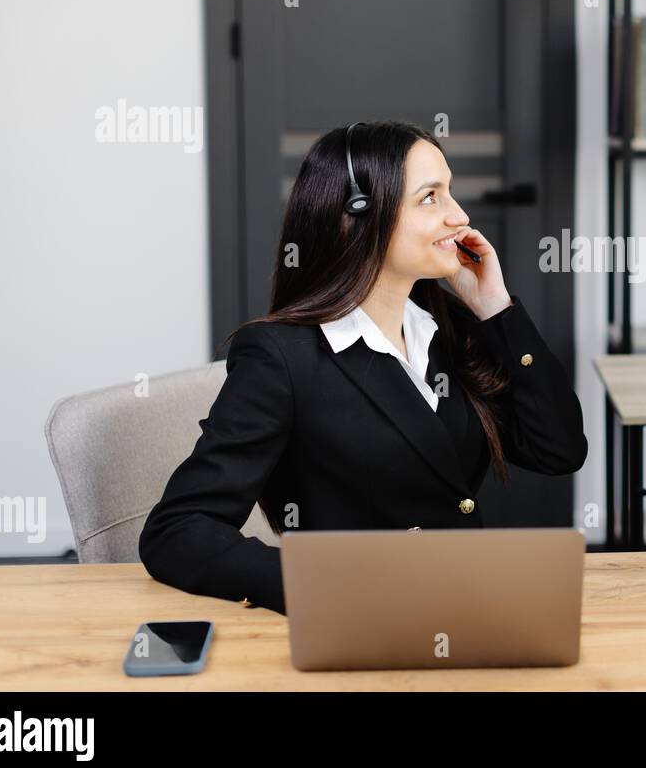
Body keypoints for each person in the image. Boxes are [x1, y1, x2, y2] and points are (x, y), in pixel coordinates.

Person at [140, 120, 587, 613]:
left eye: (450, 193)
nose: (459, 216)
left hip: (465, 607)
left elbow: (559, 449)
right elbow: (177, 530)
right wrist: (319, 586)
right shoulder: (280, 358)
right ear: (356, 216)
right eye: (430, 198)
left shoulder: (445, 331)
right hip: (363, 626)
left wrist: (496, 309)